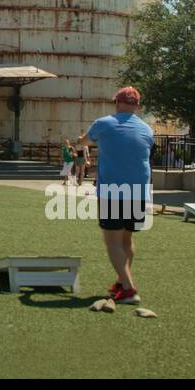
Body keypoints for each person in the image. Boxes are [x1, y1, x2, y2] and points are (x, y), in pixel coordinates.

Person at [76, 86, 153, 305]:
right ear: (137, 106)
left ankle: (129, 290)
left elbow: (85, 141)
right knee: (127, 238)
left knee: (112, 240)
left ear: (116, 103)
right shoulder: (147, 129)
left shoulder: (104, 123)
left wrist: (83, 137)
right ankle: (121, 282)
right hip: (139, 190)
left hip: (113, 190)